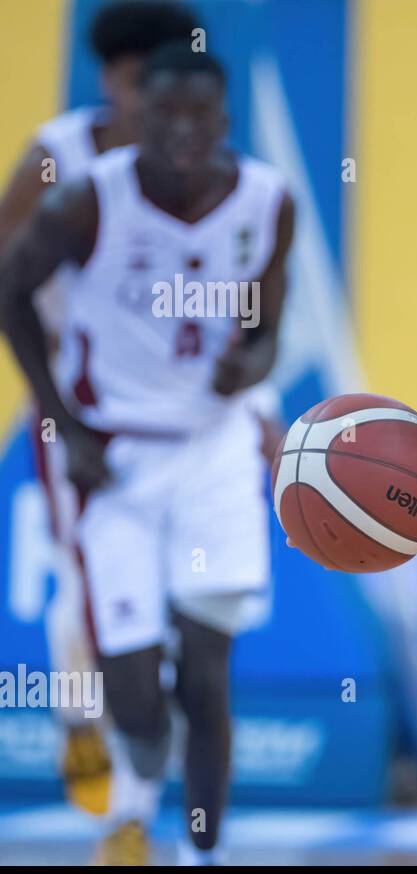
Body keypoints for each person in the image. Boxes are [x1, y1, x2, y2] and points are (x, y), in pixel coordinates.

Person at [0, 43, 295, 866]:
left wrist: (258, 377)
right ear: (127, 103)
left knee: (206, 673)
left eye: (196, 114)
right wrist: (64, 414)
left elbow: (264, 325)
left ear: (222, 120)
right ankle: (91, 730)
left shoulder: (266, 200)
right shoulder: (77, 185)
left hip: (211, 443)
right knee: (124, 674)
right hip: (109, 440)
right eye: (156, 108)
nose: (176, 129)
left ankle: (194, 848)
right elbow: (8, 283)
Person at [0, 0, 202, 819]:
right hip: (76, 405)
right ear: (115, 79)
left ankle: (136, 804)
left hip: (173, 412)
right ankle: (83, 719)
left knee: (173, 603)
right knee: (92, 586)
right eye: (141, 80)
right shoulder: (56, 157)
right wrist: (57, 410)